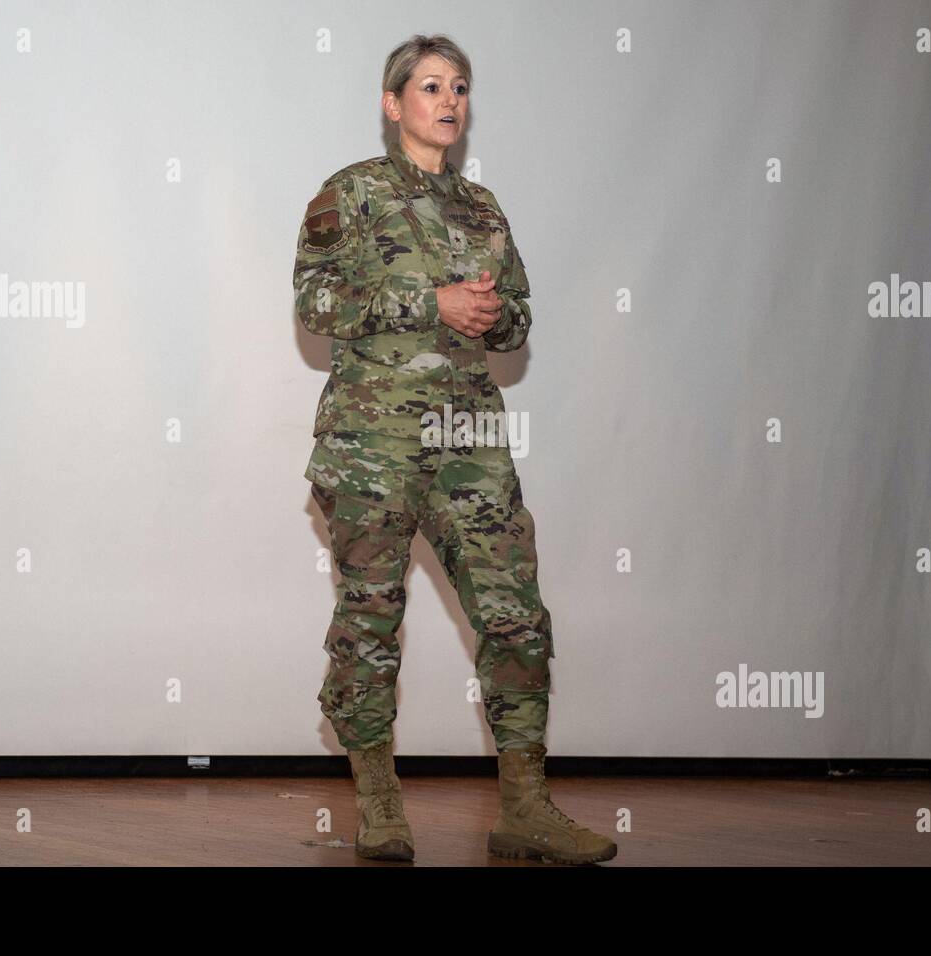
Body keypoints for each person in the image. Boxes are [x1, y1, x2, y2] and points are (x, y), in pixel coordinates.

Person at [292, 34, 616, 865]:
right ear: (393, 103)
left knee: (517, 616)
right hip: (372, 445)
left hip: (469, 441)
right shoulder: (352, 193)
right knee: (370, 620)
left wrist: (491, 314)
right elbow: (315, 302)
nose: (448, 101)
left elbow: (518, 317)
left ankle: (526, 809)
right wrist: (426, 301)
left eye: (460, 88)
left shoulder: (483, 208)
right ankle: (378, 805)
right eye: (430, 86)